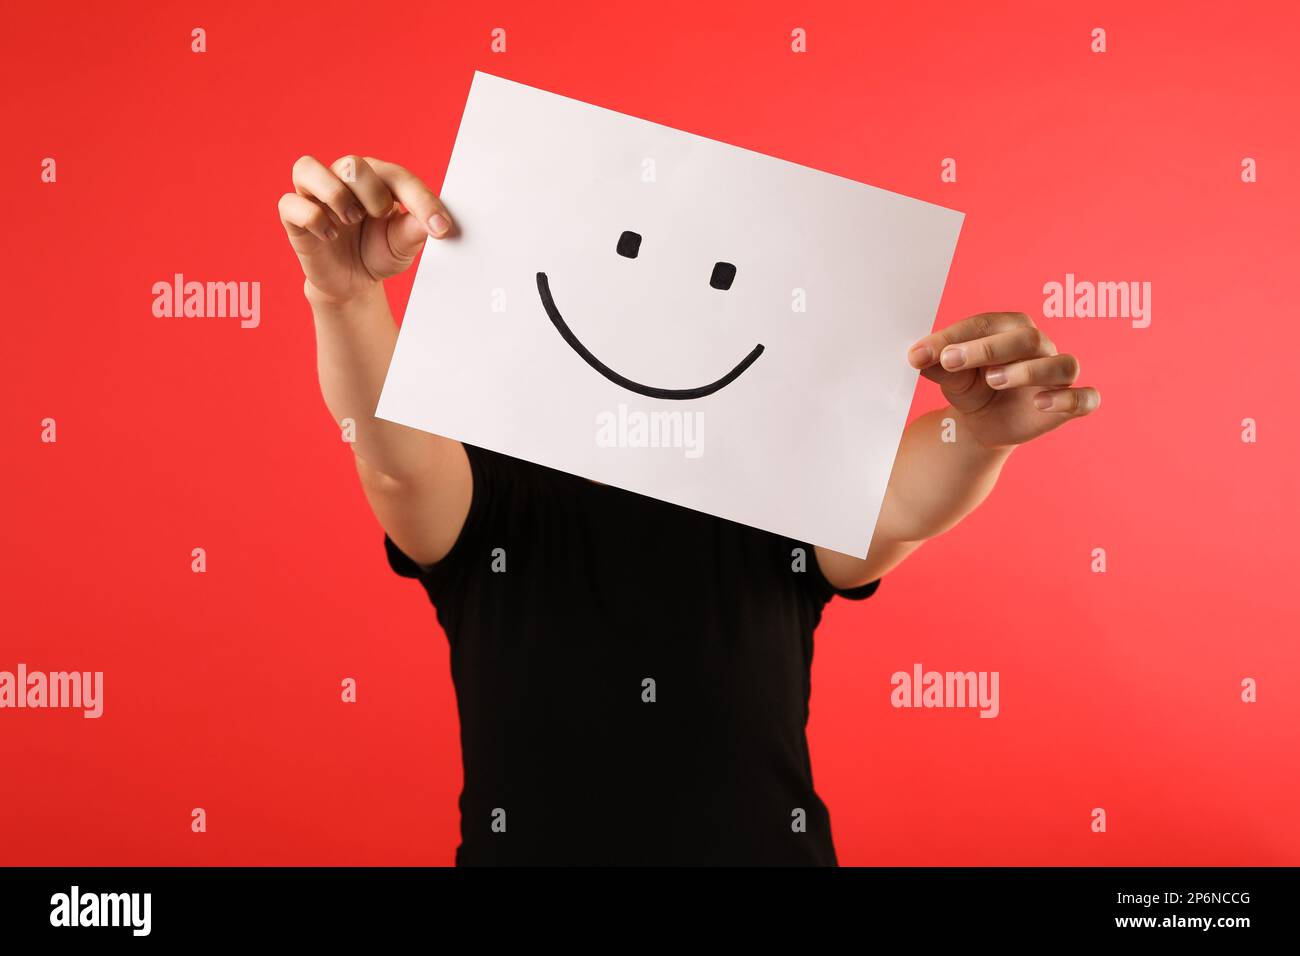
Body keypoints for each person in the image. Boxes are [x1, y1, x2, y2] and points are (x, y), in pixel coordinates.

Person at [278, 154, 1100, 865]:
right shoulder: (491, 495)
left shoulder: (767, 484)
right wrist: (345, 301)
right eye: (622, 257)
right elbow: (395, 467)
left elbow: (896, 504)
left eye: (716, 280)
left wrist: (978, 432)